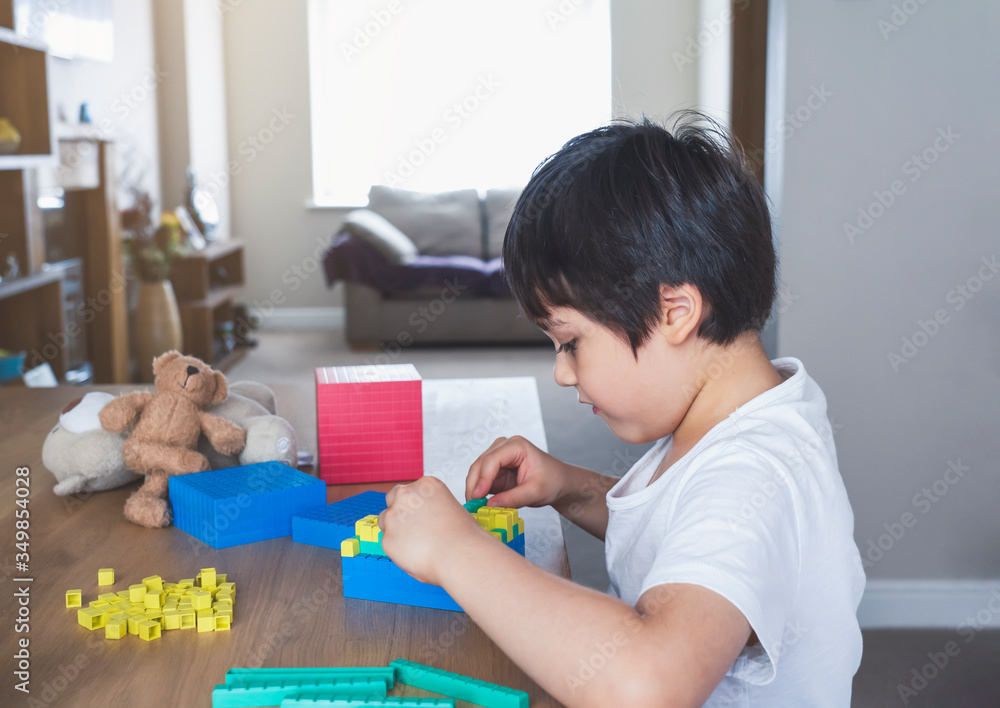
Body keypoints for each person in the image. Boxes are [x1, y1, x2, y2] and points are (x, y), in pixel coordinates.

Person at [377, 113, 865, 707]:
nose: (562, 372)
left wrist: (454, 550)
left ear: (675, 312)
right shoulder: (741, 412)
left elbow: (647, 688)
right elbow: (681, 532)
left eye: (571, 342)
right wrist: (570, 487)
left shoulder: (751, 474)